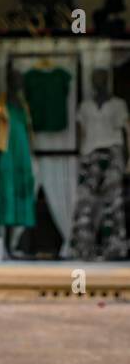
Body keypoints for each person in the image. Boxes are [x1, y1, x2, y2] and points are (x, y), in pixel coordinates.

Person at [72, 68, 130, 260]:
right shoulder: (85, 106)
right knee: (86, 202)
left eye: (102, 78)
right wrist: (81, 158)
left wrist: (126, 161)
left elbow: (125, 133)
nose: (99, 81)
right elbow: (80, 132)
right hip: (90, 154)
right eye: (96, 78)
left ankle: (116, 247)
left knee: (114, 202)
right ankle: (83, 247)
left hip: (112, 152)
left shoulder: (118, 104)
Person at [0, 68, 35, 257]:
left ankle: (18, 245)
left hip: (22, 157)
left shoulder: (23, 106)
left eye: (20, 80)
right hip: (7, 156)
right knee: (6, 200)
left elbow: (28, 132)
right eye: (15, 80)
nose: (19, 84)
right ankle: (5, 246)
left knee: (22, 198)